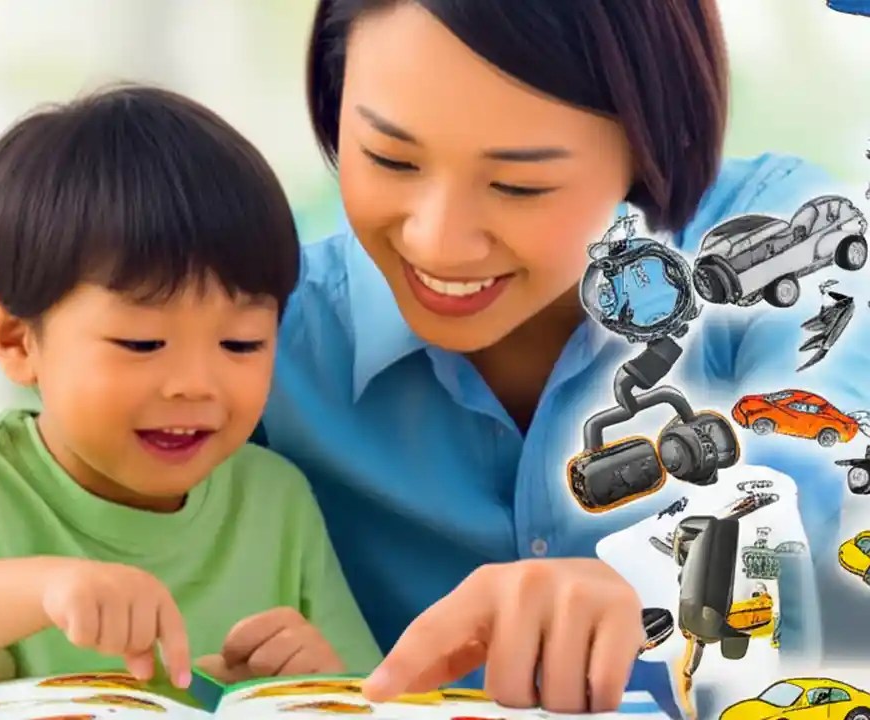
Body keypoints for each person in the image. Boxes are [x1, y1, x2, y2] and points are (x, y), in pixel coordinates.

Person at [263, 0, 867, 717]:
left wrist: (650, 575)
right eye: (389, 159)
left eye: (519, 185)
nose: (439, 242)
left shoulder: (773, 242)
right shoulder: (258, 334)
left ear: (649, 145)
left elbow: (834, 479)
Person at [0, 83, 384, 710]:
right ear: (16, 338)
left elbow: (378, 696)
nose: (195, 383)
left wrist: (322, 679)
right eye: (141, 343)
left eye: (241, 344)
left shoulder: (277, 500)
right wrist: (50, 588)